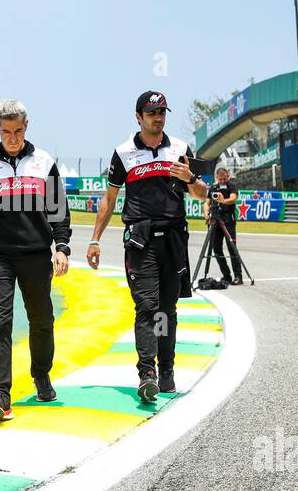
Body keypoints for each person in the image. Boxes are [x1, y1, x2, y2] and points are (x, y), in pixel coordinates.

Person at [87, 90, 208, 402]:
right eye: (152, 112)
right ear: (138, 116)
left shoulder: (181, 148)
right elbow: (109, 199)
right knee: (146, 308)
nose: (158, 117)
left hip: (174, 239)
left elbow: (202, 195)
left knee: (167, 310)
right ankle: (147, 373)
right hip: (140, 241)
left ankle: (166, 370)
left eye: (162, 112)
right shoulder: (123, 152)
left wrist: (191, 177)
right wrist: (94, 239)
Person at [0, 100, 71, 422]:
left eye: (18, 131)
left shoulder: (44, 162)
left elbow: (59, 212)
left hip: (36, 255)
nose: (12, 138)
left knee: (42, 320)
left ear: (26, 126)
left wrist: (61, 247)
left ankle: (41, 375)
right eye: (6, 131)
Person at [207, 167, 244, 285]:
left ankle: (238, 276)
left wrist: (223, 200)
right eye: (220, 179)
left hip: (228, 222)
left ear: (228, 176)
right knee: (216, 249)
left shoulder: (231, 185)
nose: (222, 181)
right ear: (216, 178)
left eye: (224, 178)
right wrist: (206, 212)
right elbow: (206, 203)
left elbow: (233, 198)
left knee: (232, 248)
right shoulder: (213, 188)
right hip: (216, 221)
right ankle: (226, 275)